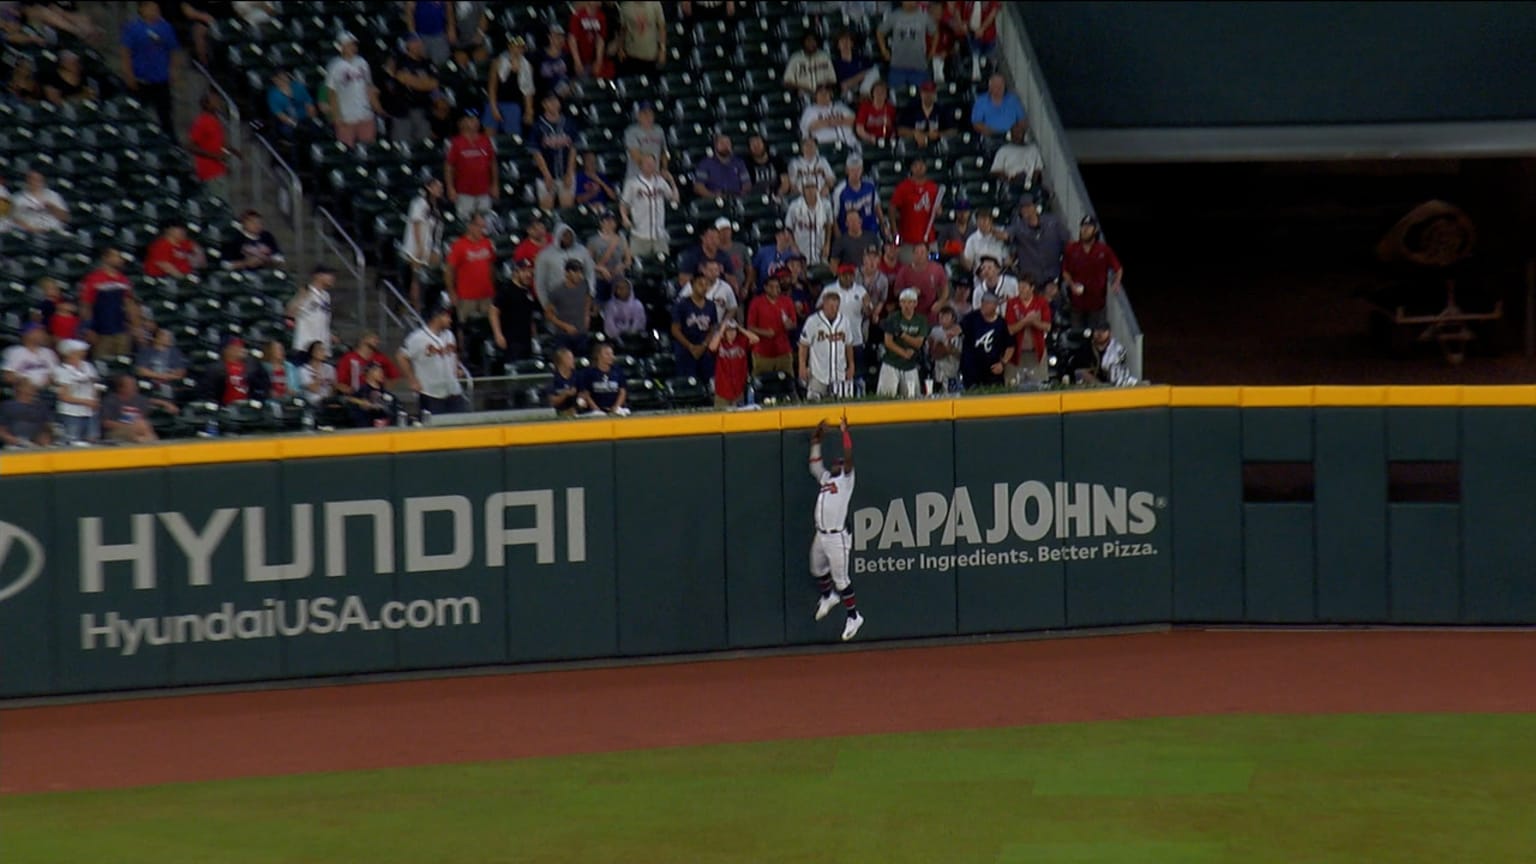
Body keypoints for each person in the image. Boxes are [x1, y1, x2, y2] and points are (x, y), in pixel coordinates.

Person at [808, 414, 865, 641]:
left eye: (838, 463)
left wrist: (845, 433)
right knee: (817, 569)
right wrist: (816, 441)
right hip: (821, 535)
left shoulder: (846, 481)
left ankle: (854, 616)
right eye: (835, 462)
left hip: (837, 537)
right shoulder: (826, 479)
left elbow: (849, 459)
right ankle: (828, 596)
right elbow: (814, 465)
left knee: (842, 580)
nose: (836, 464)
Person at [398, 295, 467, 415]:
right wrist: (412, 380)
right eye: (447, 316)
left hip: (453, 390)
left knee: (461, 422)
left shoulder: (450, 335)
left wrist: (456, 367)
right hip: (431, 392)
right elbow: (401, 356)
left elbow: (454, 353)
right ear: (437, 317)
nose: (450, 320)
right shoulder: (418, 337)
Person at [121, 1, 180, 134]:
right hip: (140, 80)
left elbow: (173, 50)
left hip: (161, 79)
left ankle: (170, 140)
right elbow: (125, 52)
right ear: (142, 9)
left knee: (165, 116)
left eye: (156, 8)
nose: (154, 11)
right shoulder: (132, 28)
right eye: (150, 8)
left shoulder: (166, 28)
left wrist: (173, 70)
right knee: (135, 115)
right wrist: (128, 74)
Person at [1061, 215, 1124, 330]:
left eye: (1089, 227)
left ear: (1095, 230)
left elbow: (1118, 268)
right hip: (1077, 303)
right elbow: (1065, 271)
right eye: (1083, 227)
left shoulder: (1103, 250)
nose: (1085, 230)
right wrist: (1071, 284)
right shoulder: (1072, 249)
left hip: (1097, 304)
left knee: (1096, 334)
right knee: (1077, 335)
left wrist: (1116, 282)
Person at [326, 31, 381, 146]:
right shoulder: (334, 66)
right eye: (349, 44)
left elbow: (369, 87)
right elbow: (331, 93)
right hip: (346, 117)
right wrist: (336, 117)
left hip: (365, 114)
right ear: (341, 47)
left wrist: (377, 108)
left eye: (354, 44)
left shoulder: (362, 62)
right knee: (346, 149)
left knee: (369, 147)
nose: (353, 47)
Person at [80, 248, 138, 359]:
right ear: (105, 258)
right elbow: (86, 305)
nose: (119, 260)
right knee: (102, 362)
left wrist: (135, 326)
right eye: (116, 256)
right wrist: (89, 328)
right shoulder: (94, 279)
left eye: (120, 257)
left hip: (121, 331)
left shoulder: (123, 279)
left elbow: (129, 304)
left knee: (122, 362)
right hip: (101, 332)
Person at [798, 289, 855, 400]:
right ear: (824, 305)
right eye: (831, 306)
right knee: (814, 404)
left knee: (841, 406)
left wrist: (851, 365)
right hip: (818, 374)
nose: (834, 309)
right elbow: (804, 344)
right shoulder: (813, 321)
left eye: (836, 306)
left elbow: (848, 345)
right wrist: (802, 365)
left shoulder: (844, 321)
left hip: (839, 374)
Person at [620, 152, 678, 259]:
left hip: (659, 235)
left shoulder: (660, 181)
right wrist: (625, 218)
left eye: (652, 163)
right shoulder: (632, 183)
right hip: (639, 234)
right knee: (637, 263)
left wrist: (671, 181)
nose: (650, 166)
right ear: (640, 165)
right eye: (647, 163)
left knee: (662, 265)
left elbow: (675, 199)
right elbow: (623, 204)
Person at [400, 177, 445, 308]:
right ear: (428, 188)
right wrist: (419, 247)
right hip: (417, 247)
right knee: (417, 278)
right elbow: (416, 224)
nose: (440, 190)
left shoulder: (438, 205)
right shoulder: (419, 203)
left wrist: (435, 248)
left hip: (432, 247)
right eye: (437, 187)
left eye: (441, 187)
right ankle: (415, 307)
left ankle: (428, 305)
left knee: (430, 277)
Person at [445, 111, 498, 218]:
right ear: (463, 123)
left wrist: (495, 184)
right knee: (465, 221)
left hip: (484, 191)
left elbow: (492, 163)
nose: (474, 122)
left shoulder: (486, 140)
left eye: (475, 120)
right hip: (464, 192)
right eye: (470, 120)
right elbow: (449, 166)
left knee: (484, 221)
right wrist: (450, 188)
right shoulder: (456, 142)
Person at [188, 90, 238, 201]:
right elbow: (191, 146)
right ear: (206, 104)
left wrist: (232, 151)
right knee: (218, 202)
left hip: (219, 170)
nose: (218, 103)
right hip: (210, 172)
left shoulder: (215, 121)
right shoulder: (201, 122)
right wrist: (213, 155)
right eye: (214, 101)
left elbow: (217, 144)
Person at [1008, 196, 1069, 286]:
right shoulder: (1018, 227)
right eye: (1022, 208)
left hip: (1054, 276)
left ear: (1035, 207)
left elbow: (1068, 243)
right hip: (1031, 279)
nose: (1025, 210)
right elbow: (1005, 235)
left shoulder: (1052, 222)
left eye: (1028, 206)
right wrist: (992, 230)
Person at [530, 94, 577, 209]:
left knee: (567, 211)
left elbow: (573, 149)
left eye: (556, 101)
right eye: (550, 101)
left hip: (565, 174)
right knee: (546, 211)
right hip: (545, 175)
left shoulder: (568, 123)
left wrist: (570, 173)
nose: (554, 104)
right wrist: (546, 175)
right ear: (544, 104)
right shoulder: (538, 126)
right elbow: (536, 153)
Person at [877, 288, 927, 398]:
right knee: (886, 397)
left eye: (910, 302)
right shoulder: (893, 317)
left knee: (913, 397)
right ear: (900, 304)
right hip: (891, 362)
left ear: (915, 303)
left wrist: (902, 335)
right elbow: (888, 342)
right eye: (903, 302)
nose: (906, 305)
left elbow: (918, 343)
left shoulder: (921, 320)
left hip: (910, 365)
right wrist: (904, 353)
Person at [445, 212, 495, 320]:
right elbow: (449, 271)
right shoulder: (459, 245)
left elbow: (491, 266)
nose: (481, 230)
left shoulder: (487, 243)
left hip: (486, 296)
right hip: (466, 298)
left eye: (483, 227)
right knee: (464, 324)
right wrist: (451, 292)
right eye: (479, 226)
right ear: (470, 226)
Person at [746, 271, 798, 375]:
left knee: (788, 380)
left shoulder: (787, 301)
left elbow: (794, 323)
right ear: (765, 288)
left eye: (777, 287)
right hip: (762, 353)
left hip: (783, 352)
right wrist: (765, 332)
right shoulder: (756, 302)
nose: (775, 289)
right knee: (762, 381)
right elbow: (750, 327)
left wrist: (790, 325)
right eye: (771, 287)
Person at [1005, 275, 1051, 387]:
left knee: (1039, 385)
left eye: (1024, 287)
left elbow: (1047, 327)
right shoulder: (1012, 303)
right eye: (1019, 287)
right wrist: (1026, 320)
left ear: (1032, 288)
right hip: (1016, 353)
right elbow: (1010, 329)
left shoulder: (1041, 302)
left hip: (1036, 351)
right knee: (1013, 385)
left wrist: (1033, 322)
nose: (1021, 290)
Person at [671, 273, 719, 381]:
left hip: (704, 349)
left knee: (708, 381)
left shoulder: (711, 305)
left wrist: (704, 345)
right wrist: (690, 347)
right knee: (688, 382)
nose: (704, 287)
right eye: (700, 284)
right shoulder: (681, 305)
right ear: (692, 285)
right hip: (685, 350)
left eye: (706, 284)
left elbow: (713, 328)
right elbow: (675, 330)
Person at [878, 0, 935, 91]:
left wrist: (932, 50)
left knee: (919, 95)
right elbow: (880, 31)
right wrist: (884, 50)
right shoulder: (895, 16)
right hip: (897, 66)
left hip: (919, 66)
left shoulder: (924, 16)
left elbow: (935, 32)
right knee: (895, 94)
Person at [959, 291, 1012, 389]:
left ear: (995, 305)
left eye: (987, 303)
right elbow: (958, 329)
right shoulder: (971, 318)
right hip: (971, 371)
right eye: (983, 302)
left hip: (992, 372)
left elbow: (1010, 346)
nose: (984, 305)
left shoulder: (1001, 323)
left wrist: (1003, 363)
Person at [542, 259, 595, 354]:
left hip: (581, 333)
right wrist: (565, 326)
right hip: (563, 336)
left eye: (580, 273)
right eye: (576, 272)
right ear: (567, 273)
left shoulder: (584, 285)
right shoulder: (557, 292)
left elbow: (588, 299)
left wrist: (587, 316)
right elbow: (548, 315)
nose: (579, 276)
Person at [490, 258, 539, 360]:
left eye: (530, 272)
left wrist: (534, 336)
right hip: (511, 340)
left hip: (526, 340)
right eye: (524, 271)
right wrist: (498, 334)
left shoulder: (528, 291)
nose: (528, 275)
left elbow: (529, 316)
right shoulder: (506, 290)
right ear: (516, 273)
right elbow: (493, 312)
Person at [485, 33, 534, 133]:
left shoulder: (527, 66)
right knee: (489, 135)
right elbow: (492, 87)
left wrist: (529, 111)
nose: (518, 50)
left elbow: (528, 90)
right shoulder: (497, 63)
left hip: (514, 106)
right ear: (509, 47)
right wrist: (493, 108)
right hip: (496, 102)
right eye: (515, 46)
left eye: (520, 47)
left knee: (512, 135)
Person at [824, 263, 871, 365]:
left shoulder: (861, 290)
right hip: (835, 337)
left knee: (857, 367)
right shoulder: (829, 290)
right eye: (844, 275)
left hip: (855, 337)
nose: (848, 278)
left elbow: (868, 314)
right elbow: (820, 311)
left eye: (850, 275)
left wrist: (866, 306)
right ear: (839, 275)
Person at [889, 156, 940, 248]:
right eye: (916, 165)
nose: (919, 168)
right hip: (908, 240)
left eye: (922, 165)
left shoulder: (932, 187)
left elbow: (937, 210)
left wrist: (938, 211)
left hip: (928, 239)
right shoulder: (903, 187)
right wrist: (895, 231)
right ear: (911, 168)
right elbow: (892, 208)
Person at [101, 373, 167, 443]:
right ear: (121, 388)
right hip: (115, 431)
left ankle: (153, 444)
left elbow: (151, 400)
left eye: (135, 385)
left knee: (145, 426)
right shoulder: (110, 400)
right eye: (131, 385)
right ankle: (149, 444)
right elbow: (106, 423)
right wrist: (130, 426)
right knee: (140, 430)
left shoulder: (139, 399)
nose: (135, 387)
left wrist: (166, 404)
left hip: (139, 428)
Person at [708, 318, 759, 408]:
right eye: (728, 330)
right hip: (722, 390)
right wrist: (721, 330)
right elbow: (712, 347)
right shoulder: (720, 342)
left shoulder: (742, 341)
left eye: (733, 330)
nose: (731, 333)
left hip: (738, 390)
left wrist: (740, 328)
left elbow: (756, 339)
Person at [202, 336, 269, 404]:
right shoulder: (214, 369)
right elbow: (208, 392)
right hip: (225, 408)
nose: (242, 349)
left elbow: (264, 385)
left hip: (247, 407)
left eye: (242, 347)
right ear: (226, 350)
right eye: (237, 346)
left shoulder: (254, 366)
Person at [286, 265, 334, 352]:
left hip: (322, 345)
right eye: (329, 275)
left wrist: (329, 334)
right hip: (305, 344)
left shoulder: (326, 296)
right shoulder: (306, 291)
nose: (332, 278)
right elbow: (290, 311)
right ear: (318, 276)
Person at [335, 331, 401, 395]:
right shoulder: (348, 358)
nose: (377, 341)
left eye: (378, 339)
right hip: (355, 398)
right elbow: (340, 383)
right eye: (374, 338)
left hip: (376, 398)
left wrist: (384, 391)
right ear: (363, 339)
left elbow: (394, 376)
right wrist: (352, 393)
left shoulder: (381, 358)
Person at [786, 182, 834, 267]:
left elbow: (829, 226)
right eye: (807, 188)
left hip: (820, 246)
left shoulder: (826, 205)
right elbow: (788, 228)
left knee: (820, 268)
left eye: (813, 187)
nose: (810, 191)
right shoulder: (794, 206)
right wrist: (793, 246)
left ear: (817, 189)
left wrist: (827, 244)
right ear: (803, 190)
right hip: (801, 246)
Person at [615, 0, 667, 78]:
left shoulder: (655, 4)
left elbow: (661, 27)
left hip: (651, 56)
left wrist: (662, 50)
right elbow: (623, 29)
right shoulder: (625, 6)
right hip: (631, 56)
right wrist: (620, 48)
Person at [135, 325, 187, 401]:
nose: (170, 338)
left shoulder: (175, 352)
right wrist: (164, 375)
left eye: (170, 336)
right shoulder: (146, 351)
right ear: (157, 338)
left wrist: (157, 375)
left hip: (168, 384)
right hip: (150, 383)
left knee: (169, 389)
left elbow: (180, 373)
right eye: (166, 336)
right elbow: (141, 371)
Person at [800, 84, 858, 150]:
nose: (823, 95)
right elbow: (807, 129)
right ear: (815, 95)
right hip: (823, 146)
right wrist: (829, 122)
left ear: (831, 95)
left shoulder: (840, 106)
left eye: (826, 93)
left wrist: (840, 121)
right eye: (820, 92)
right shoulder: (810, 110)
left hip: (848, 143)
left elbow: (855, 121)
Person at [575, 343, 629, 416]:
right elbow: (586, 394)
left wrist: (616, 407)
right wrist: (596, 409)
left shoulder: (618, 371)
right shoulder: (589, 373)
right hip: (596, 411)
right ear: (598, 355)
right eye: (607, 354)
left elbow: (622, 392)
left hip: (615, 409)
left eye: (612, 354)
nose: (611, 357)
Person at [267, 67, 320, 140]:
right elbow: (281, 116)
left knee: (317, 128)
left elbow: (309, 105)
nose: (284, 78)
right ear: (274, 80)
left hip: (305, 117)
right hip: (289, 121)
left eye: (285, 75)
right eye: (280, 77)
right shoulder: (273, 95)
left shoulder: (298, 86)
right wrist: (297, 125)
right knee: (293, 133)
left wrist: (313, 118)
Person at [691, 133, 750, 198]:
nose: (725, 146)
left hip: (736, 197)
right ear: (715, 145)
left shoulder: (739, 162)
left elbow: (747, 183)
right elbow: (698, 187)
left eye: (727, 143)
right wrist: (713, 196)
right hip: (714, 199)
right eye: (722, 143)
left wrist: (741, 195)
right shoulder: (705, 164)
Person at [343, 361, 400, 427]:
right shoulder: (361, 393)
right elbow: (354, 411)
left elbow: (396, 410)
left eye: (382, 371)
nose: (382, 374)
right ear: (369, 373)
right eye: (378, 371)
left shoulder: (388, 394)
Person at [0, 378, 54, 448]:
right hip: (14, 446)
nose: (32, 388)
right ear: (19, 388)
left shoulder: (41, 407)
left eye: (32, 386)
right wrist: (17, 441)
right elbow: (1, 431)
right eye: (28, 386)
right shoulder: (7, 406)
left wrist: (44, 440)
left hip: (38, 446)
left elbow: (48, 428)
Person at [897, 80, 954, 147]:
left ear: (935, 93)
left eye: (931, 92)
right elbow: (900, 130)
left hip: (937, 146)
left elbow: (953, 130)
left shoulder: (941, 109)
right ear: (921, 93)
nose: (928, 95)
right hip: (913, 147)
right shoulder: (911, 108)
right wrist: (914, 133)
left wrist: (939, 134)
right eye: (926, 92)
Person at [588, 210, 630, 297]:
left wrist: (622, 266)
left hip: (617, 278)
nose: (610, 223)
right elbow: (588, 262)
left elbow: (628, 260)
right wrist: (601, 269)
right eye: (607, 220)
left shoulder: (621, 239)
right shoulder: (593, 240)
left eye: (613, 221)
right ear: (601, 222)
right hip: (599, 278)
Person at [622, 101, 669, 179]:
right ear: (638, 116)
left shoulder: (659, 130)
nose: (648, 117)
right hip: (636, 177)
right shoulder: (631, 131)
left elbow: (664, 152)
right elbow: (635, 156)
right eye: (644, 114)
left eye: (650, 113)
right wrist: (651, 171)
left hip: (655, 177)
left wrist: (664, 168)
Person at [783, 30, 835, 100]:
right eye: (809, 41)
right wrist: (803, 88)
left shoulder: (824, 56)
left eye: (814, 41)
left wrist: (823, 89)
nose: (811, 43)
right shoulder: (795, 58)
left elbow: (832, 80)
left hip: (823, 95)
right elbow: (787, 82)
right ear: (804, 42)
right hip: (803, 96)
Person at [970, 72, 1026, 137]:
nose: (999, 89)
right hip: (990, 137)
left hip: (1011, 136)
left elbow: (1022, 119)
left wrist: (1018, 131)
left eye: (1001, 86)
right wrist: (987, 131)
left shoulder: (1013, 100)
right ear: (990, 87)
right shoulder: (981, 101)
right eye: (996, 86)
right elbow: (976, 122)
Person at [991, 122, 1043, 192]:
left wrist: (1031, 182)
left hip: (1028, 185)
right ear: (1011, 133)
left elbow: (1038, 170)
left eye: (1020, 132)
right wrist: (1009, 178)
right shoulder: (1003, 150)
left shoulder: (1034, 149)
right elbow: (995, 172)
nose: (1018, 134)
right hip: (1011, 185)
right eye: (1016, 132)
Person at [568, 0, 611, 80]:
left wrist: (598, 61)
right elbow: (572, 39)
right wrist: (577, 61)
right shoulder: (578, 15)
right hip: (577, 56)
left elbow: (600, 39)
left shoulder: (601, 16)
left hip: (591, 57)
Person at [831, 29, 876, 97]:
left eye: (847, 41)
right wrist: (860, 76)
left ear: (852, 44)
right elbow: (842, 85)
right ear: (838, 46)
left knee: (874, 71)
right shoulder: (835, 64)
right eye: (842, 41)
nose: (845, 44)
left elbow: (872, 72)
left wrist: (852, 81)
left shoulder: (862, 59)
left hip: (865, 89)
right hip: (848, 93)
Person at [928, 305, 962, 390]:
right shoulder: (935, 331)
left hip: (952, 370)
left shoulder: (958, 333)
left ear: (953, 319)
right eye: (941, 317)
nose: (943, 320)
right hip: (937, 371)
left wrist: (949, 350)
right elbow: (931, 351)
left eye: (946, 317)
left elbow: (961, 354)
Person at [744, 134, 787, 199]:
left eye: (758, 143)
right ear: (749, 148)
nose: (756, 146)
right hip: (755, 198)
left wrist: (777, 196)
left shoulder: (777, 160)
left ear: (764, 144)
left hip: (777, 196)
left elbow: (785, 183)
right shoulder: (745, 164)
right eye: (753, 144)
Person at [295, 341, 337, 407]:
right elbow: (315, 389)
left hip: (329, 401)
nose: (323, 352)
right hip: (311, 403)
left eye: (324, 350)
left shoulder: (330, 368)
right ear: (312, 352)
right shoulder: (303, 370)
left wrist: (331, 398)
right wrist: (319, 376)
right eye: (320, 349)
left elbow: (334, 388)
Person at [855, 81, 898, 145]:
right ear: (872, 93)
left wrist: (889, 124)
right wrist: (871, 138)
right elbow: (859, 129)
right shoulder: (865, 107)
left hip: (886, 140)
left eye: (882, 92)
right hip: (868, 140)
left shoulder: (891, 109)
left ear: (886, 95)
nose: (879, 94)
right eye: (877, 91)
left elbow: (895, 130)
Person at [544, 346, 580, 415]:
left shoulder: (577, 376)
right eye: (570, 358)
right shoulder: (552, 377)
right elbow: (552, 401)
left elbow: (583, 395)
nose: (573, 361)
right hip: (557, 414)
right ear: (562, 361)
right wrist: (565, 394)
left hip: (576, 413)